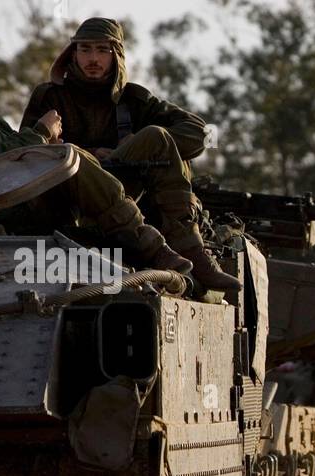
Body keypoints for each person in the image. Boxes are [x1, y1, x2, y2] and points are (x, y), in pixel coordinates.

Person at [0, 46, 190, 275]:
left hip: (31, 201)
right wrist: (41, 135)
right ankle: (149, 246)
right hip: (5, 210)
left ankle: (182, 248)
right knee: (70, 157)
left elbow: (13, 153)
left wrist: (47, 147)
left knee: (153, 141)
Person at [21, 18, 240, 294]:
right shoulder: (49, 97)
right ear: (72, 54)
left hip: (126, 188)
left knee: (157, 137)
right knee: (69, 156)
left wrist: (133, 144)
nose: (93, 59)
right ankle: (154, 247)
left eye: (102, 50)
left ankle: (193, 253)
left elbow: (201, 133)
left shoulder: (134, 100)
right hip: (67, 196)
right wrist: (86, 155)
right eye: (85, 49)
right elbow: (24, 153)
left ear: (117, 56)